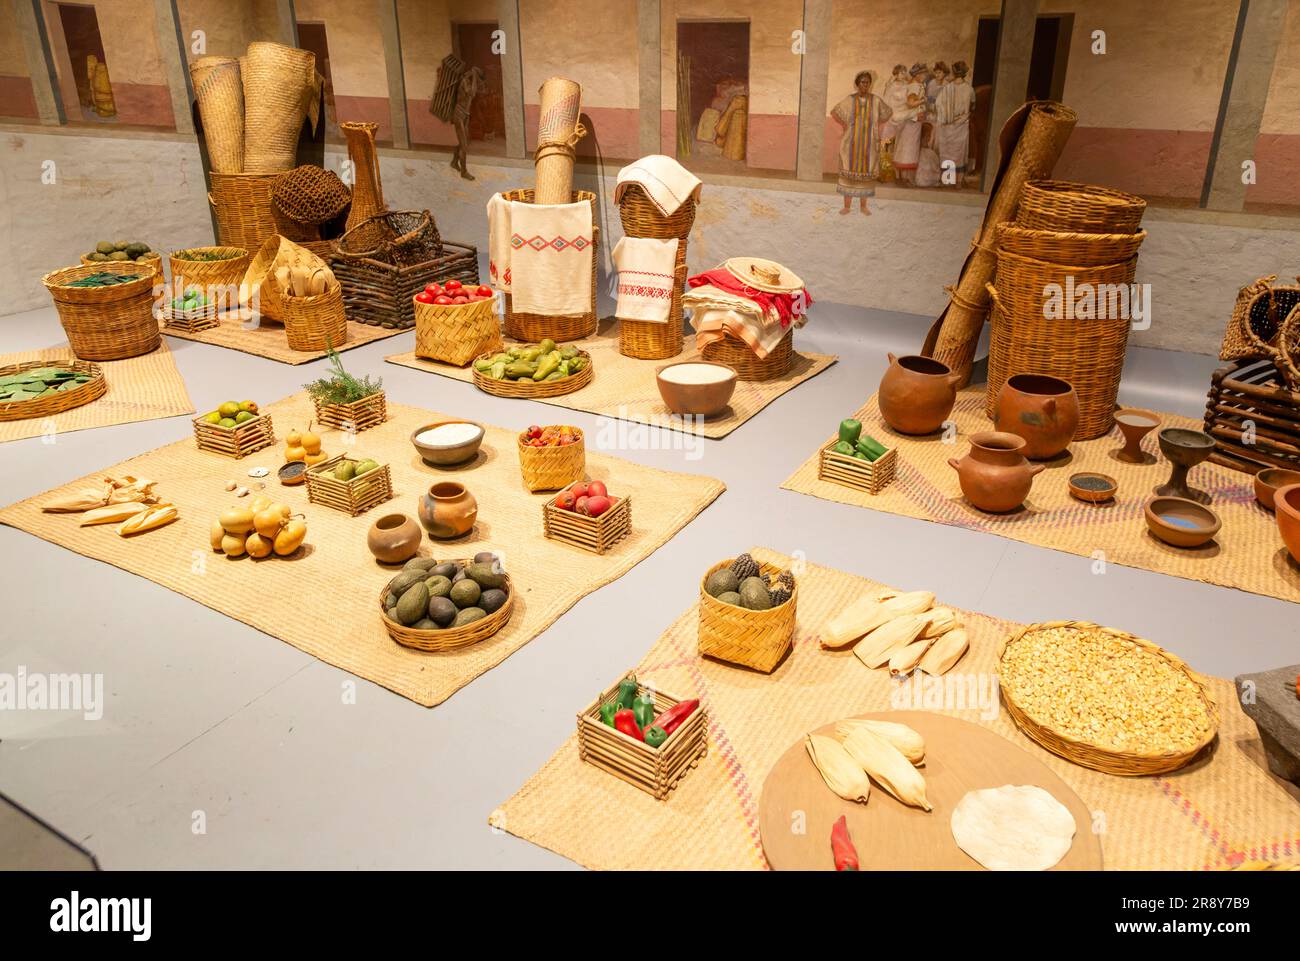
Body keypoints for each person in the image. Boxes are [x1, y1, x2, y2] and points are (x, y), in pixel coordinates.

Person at [831, 70, 893, 215]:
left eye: (867, 82)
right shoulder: (850, 99)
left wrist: (875, 126)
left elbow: (887, 113)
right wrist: (845, 125)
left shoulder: (876, 100)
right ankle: (847, 206)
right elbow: (835, 112)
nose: (865, 85)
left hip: (869, 143)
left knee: (866, 174)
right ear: (857, 84)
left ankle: (863, 206)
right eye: (862, 82)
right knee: (849, 174)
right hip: (851, 142)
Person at [935, 60, 976, 185]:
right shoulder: (969, 89)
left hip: (947, 126)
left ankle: (947, 180)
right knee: (959, 152)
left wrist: (948, 116)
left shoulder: (947, 88)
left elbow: (938, 105)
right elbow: (973, 105)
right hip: (961, 125)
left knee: (947, 152)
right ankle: (957, 181)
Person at [891, 64, 928, 185]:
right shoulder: (914, 86)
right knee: (906, 149)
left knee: (904, 148)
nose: (924, 76)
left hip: (911, 121)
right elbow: (911, 103)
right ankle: (902, 178)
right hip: (911, 121)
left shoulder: (913, 85)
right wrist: (924, 100)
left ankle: (901, 177)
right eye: (922, 74)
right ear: (917, 75)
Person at [450, 66, 484, 181]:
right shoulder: (464, 81)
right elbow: (472, 93)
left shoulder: (467, 81)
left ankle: (454, 162)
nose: (477, 80)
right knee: (464, 145)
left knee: (463, 141)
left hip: (465, 115)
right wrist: (474, 76)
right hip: (459, 115)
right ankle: (464, 172)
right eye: (477, 77)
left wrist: (474, 77)